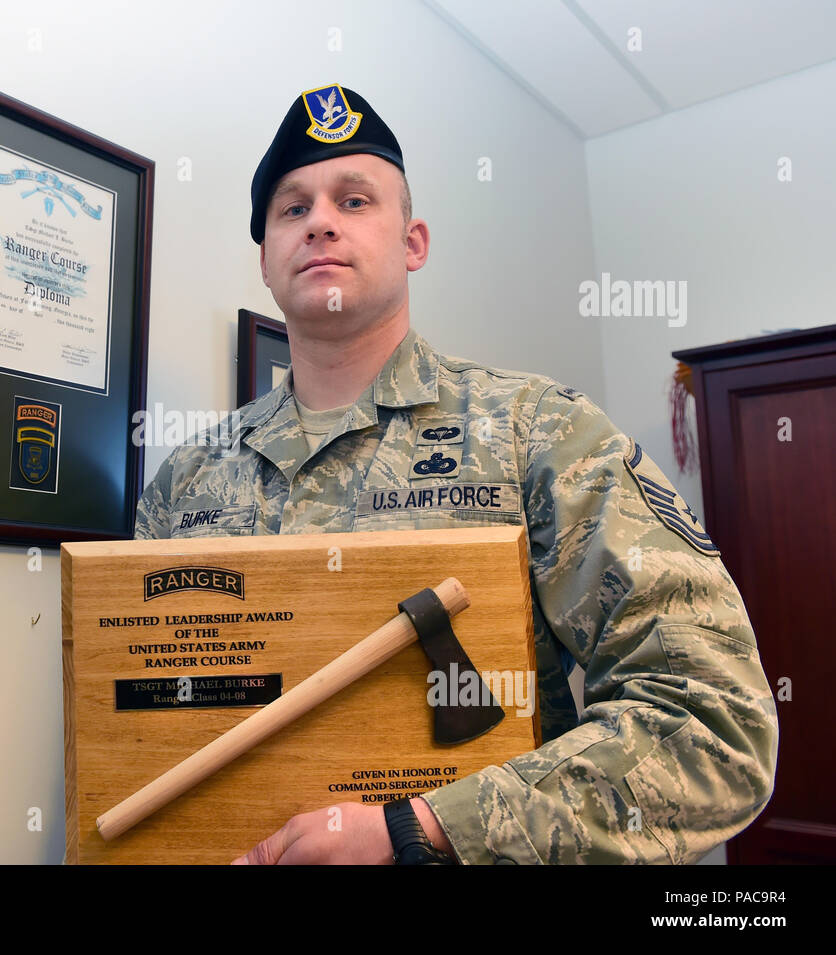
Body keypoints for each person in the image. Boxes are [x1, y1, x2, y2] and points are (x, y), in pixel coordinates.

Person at [133, 84, 779, 864]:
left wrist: (424, 828)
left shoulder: (538, 431)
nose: (321, 221)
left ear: (414, 243)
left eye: (355, 198)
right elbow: (141, 734)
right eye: (292, 208)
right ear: (265, 259)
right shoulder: (184, 482)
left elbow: (713, 726)